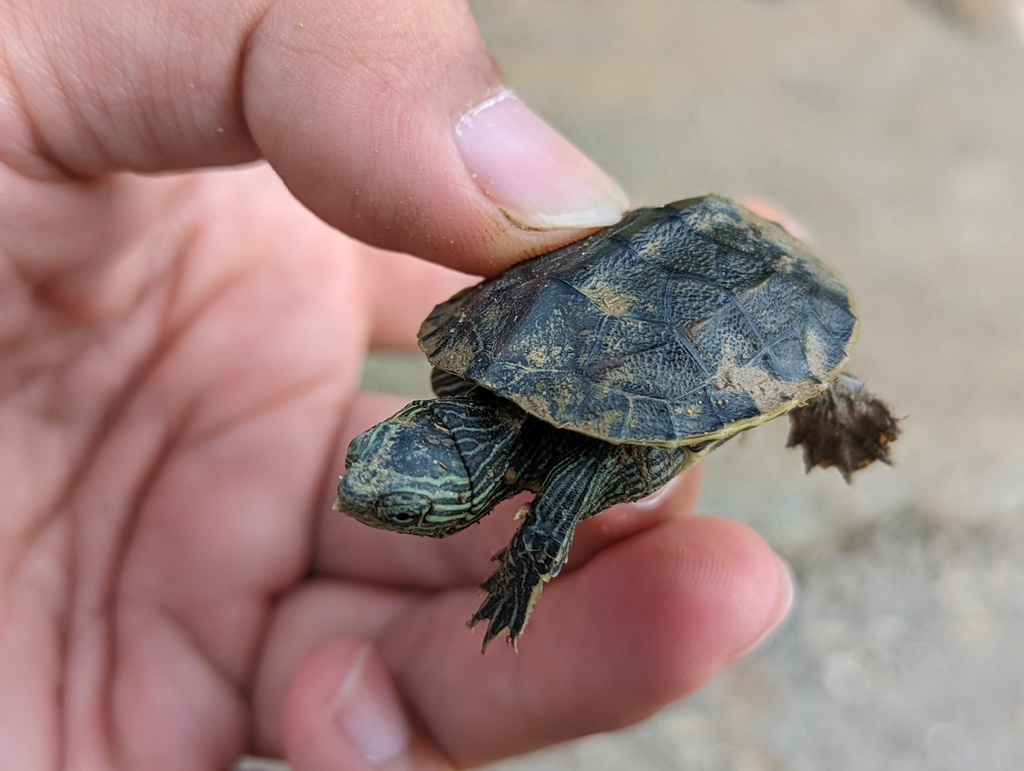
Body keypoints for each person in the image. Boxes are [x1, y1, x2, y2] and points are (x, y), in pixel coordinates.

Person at [0, 1, 793, 768]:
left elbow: (556, 504)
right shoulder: (472, 372)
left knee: (587, 493)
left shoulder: (545, 437)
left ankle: (837, 392)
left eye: (396, 503)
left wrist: (521, 572)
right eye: (382, 485)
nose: (355, 495)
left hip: (724, 310)